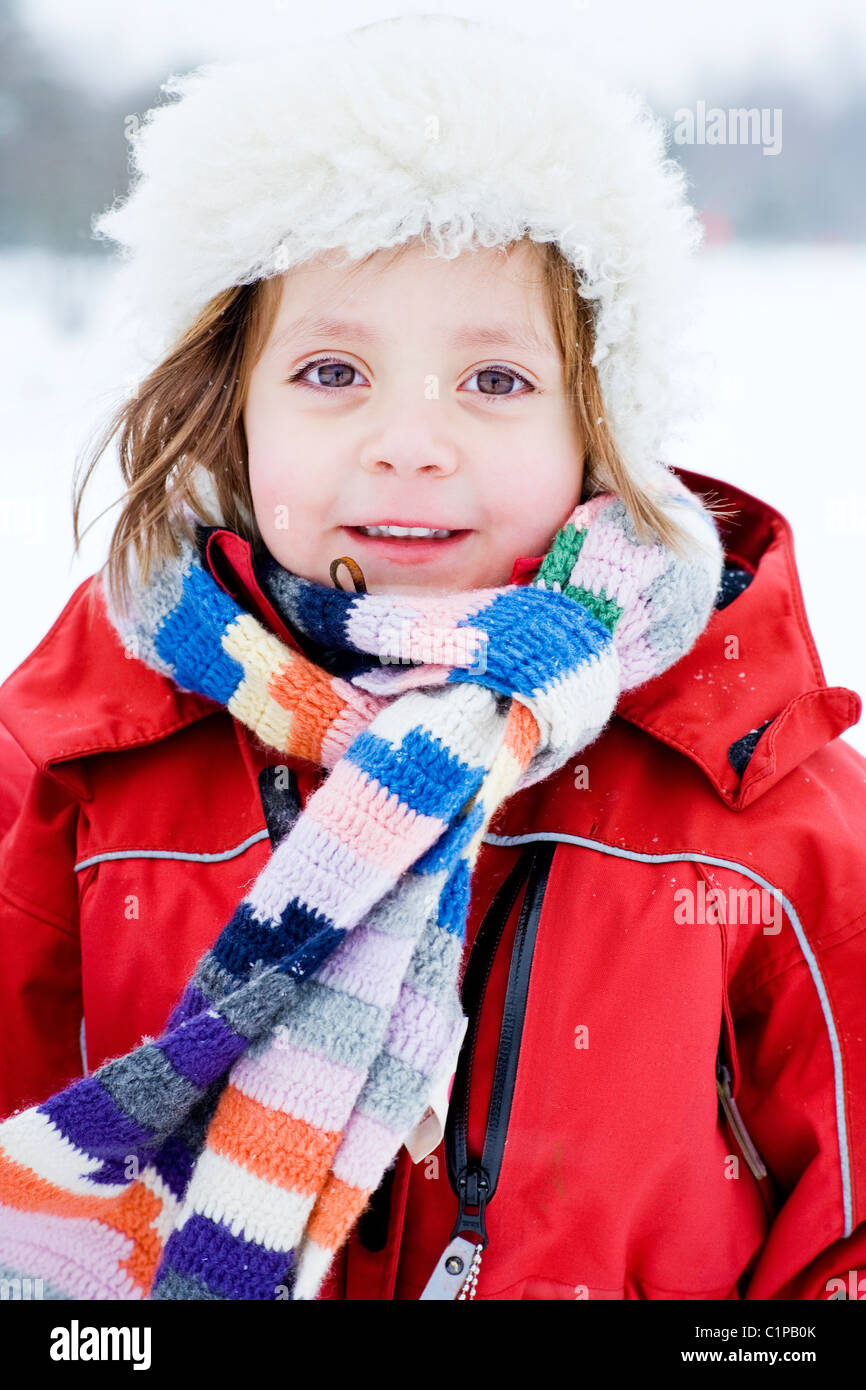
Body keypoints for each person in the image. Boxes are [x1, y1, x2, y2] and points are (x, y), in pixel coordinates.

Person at [0, 14, 864, 1303]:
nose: (411, 442)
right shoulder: (84, 757)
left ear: (602, 424)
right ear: (229, 406)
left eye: (497, 381)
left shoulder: (752, 795)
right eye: (335, 369)